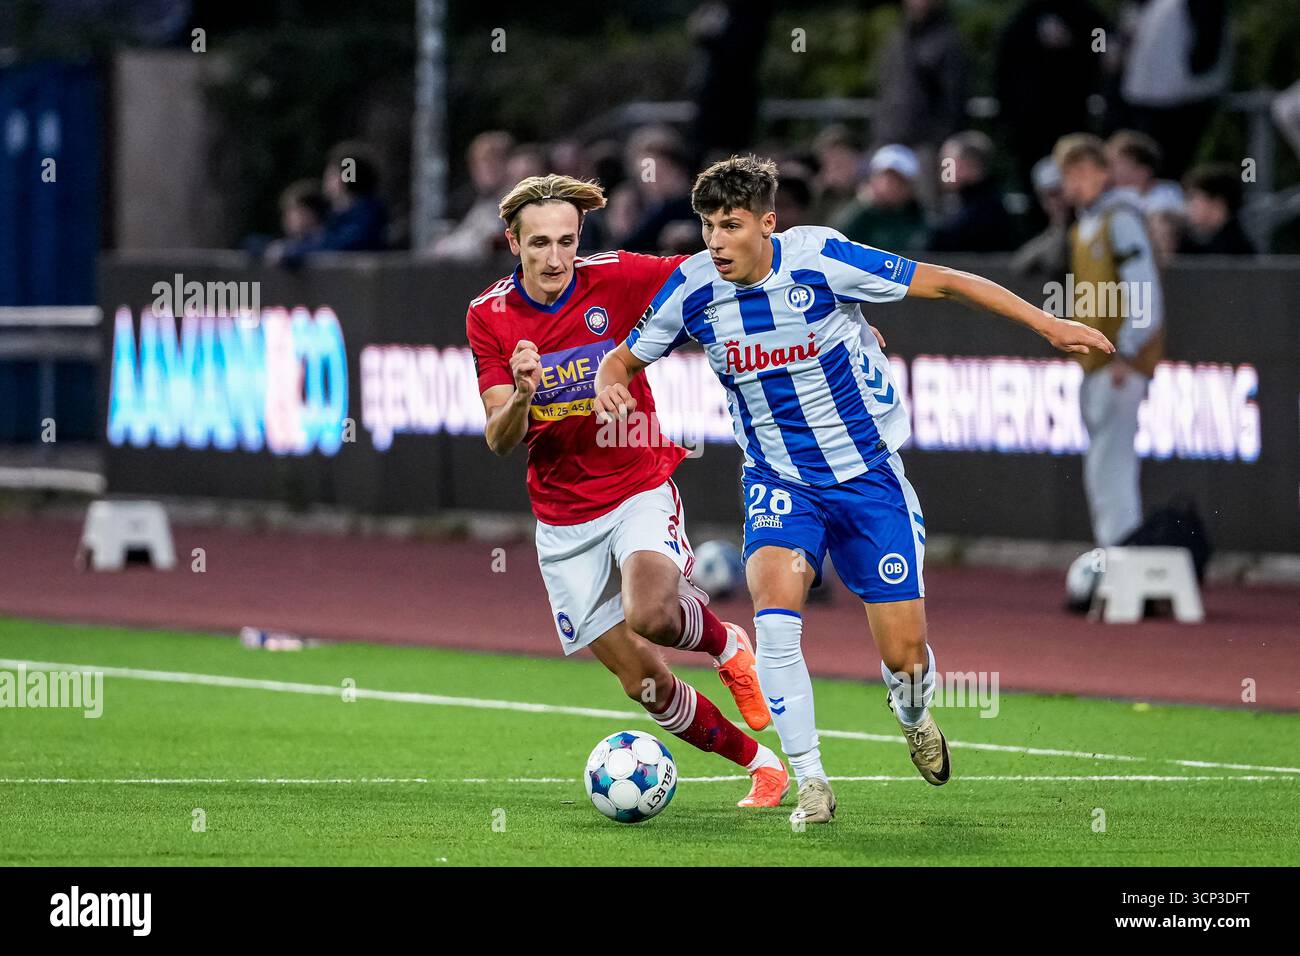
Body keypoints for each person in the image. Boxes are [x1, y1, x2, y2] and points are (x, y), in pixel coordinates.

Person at [594, 155, 1112, 824]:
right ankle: (812, 781)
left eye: (731, 225)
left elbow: (948, 283)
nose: (716, 241)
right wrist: (611, 380)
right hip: (778, 480)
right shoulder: (692, 290)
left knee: (905, 657)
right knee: (775, 620)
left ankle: (913, 713)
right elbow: (625, 356)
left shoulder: (823, 261)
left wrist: (1050, 325)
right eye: (706, 227)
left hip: (868, 479)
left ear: (768, 224)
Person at [465, 173, 790, 810]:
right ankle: (763, 766)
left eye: (566, 241)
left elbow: (719, 265)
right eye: (538, 245)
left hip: (638, 481)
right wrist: (526, 394)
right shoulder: (489, 317)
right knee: (642, 681)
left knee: (652, 615)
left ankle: (725, 644)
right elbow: (500, 438)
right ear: (513, 243)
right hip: (562, 517)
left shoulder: (618, 276)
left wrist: (836, 315)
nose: (555, 258)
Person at [1054, 133, 1164, 547]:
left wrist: (1130, 351)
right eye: (1069, 174)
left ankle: (1121, 556)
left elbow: (1144, 289)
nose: (1074, 183)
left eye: (1083, 171)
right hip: (1098, 363)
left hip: (1119, 361)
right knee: (1103, 465)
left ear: (1105, 172)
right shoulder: (1086, 224)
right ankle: (1113, 553)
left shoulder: (1119, 219)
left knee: (1112, 465)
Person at [928, 131, 1016, 252]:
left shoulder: (986, 212)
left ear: (971, 166)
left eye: (947, 164)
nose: (943, 171)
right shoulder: (958, 204)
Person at [836, 144, 927, 252]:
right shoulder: (861, 216)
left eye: (898, 179)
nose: (888, 185)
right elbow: (837, 243)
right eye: (883, 177)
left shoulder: (921, 220)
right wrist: (862, 205)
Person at [1178, 163, 1257, 255]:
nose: (1187, 205)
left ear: (1217, 203)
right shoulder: (1199, 243)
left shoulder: (1232, 251)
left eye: (1192, 198)